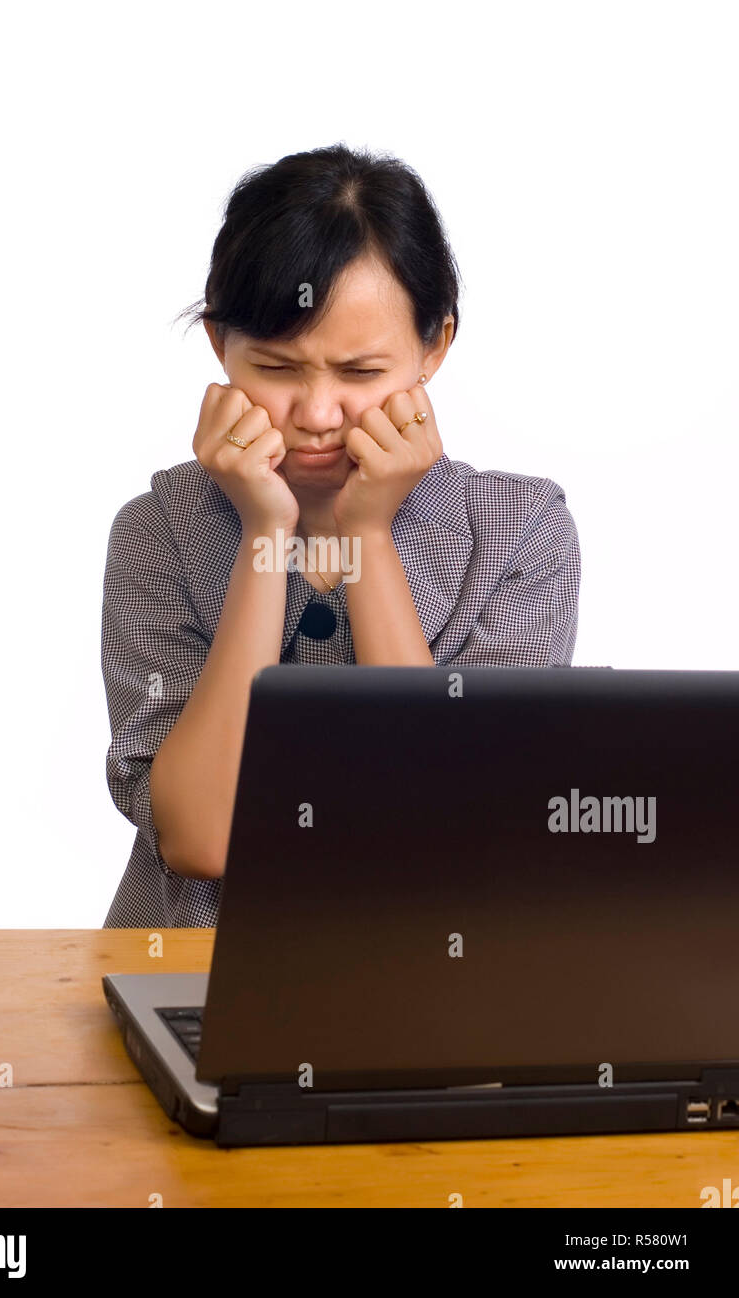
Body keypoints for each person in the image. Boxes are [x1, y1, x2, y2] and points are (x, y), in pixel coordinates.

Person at [101, 143, 581, 929]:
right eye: (279, 368)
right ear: (221, 345)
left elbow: (444, 831)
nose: (318, 414)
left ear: (436, 346)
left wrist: (368, 535)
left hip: (423, 994)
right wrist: (265, 531)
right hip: (187, 988)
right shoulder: (160, 532)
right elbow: (203, 837)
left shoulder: (521, 535)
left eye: (359, 373)